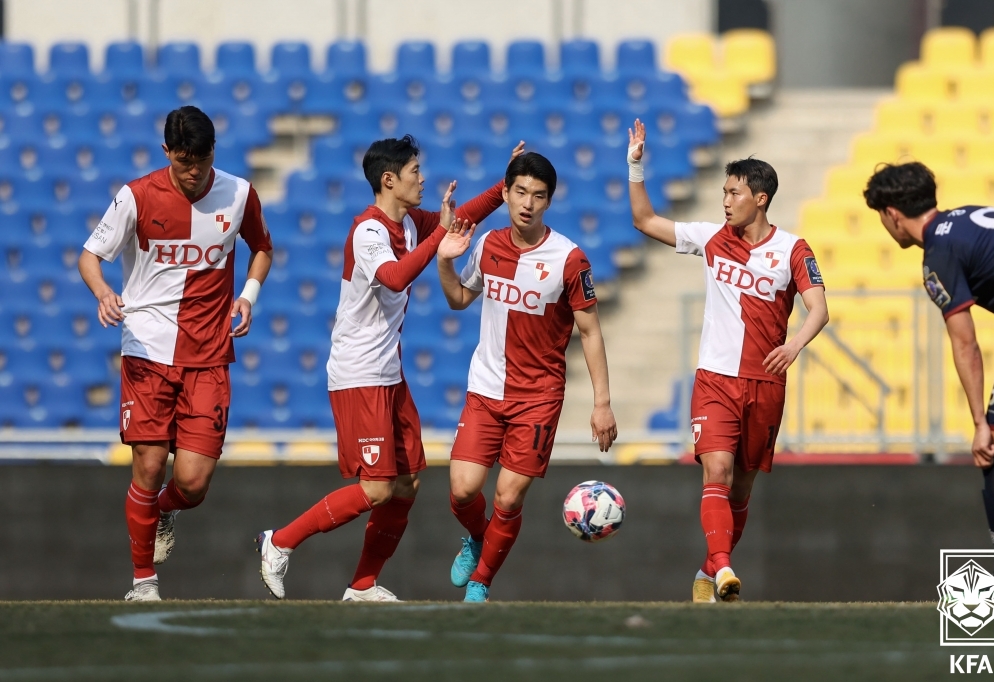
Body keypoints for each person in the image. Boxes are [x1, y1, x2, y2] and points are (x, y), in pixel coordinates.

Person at [256, 136, 524, 601]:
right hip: (358, 372)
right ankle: (279, 541)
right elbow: (396, 276)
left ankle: (361, 585)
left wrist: (507, 184)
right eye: (414, 171)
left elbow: (462, 219)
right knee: (377, 490)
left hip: (388, 373)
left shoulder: (413, 224)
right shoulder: (369, 232)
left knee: (406, 484)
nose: (422, 178)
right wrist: (441, 237)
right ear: (389, 180)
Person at [626, 120, 829, 602]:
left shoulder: (792, 249)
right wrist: (635, 165)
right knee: (715, 470)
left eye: (733, 192)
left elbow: (819, 307)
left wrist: (795, 343)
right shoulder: (711, 237)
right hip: (715, 378)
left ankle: (709, 569)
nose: (725, 200)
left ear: (759, 198)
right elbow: (645, 221)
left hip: (765, 384)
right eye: (723, 191)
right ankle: (723, 570)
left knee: (740, 490)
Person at [78, 105, 274, 601]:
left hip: (208, 354)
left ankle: (162, 510)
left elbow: (263, 247)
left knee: (193, 482)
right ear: (167, 152)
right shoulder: (137, 197)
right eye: (185, 161)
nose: (194, 171)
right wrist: (103, 292)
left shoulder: (239, 193)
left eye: (202, 160)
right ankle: (144, 582)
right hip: (146, 349)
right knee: (147, 465)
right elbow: (89, 256)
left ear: (214, 153)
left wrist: (247, 295)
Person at [438, 151, 618, 602]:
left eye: (538, 196)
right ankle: (477, 538)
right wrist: (443, 262)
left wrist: (601, 403)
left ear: (549, 202)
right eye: (520, 192)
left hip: (537, 397)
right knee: (462, 491)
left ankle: (480, 582)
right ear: (505, 193)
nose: (528, 203)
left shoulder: (570, 260)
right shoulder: (487, 245)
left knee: (509, 497)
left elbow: (591, 331)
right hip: (486, 387)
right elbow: (460, 299)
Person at [864, 162, 994, 603]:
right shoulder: (969, 216)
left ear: (893, 214)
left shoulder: (938, 253)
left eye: (881, 216)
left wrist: (979, 422)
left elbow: (966, 344)